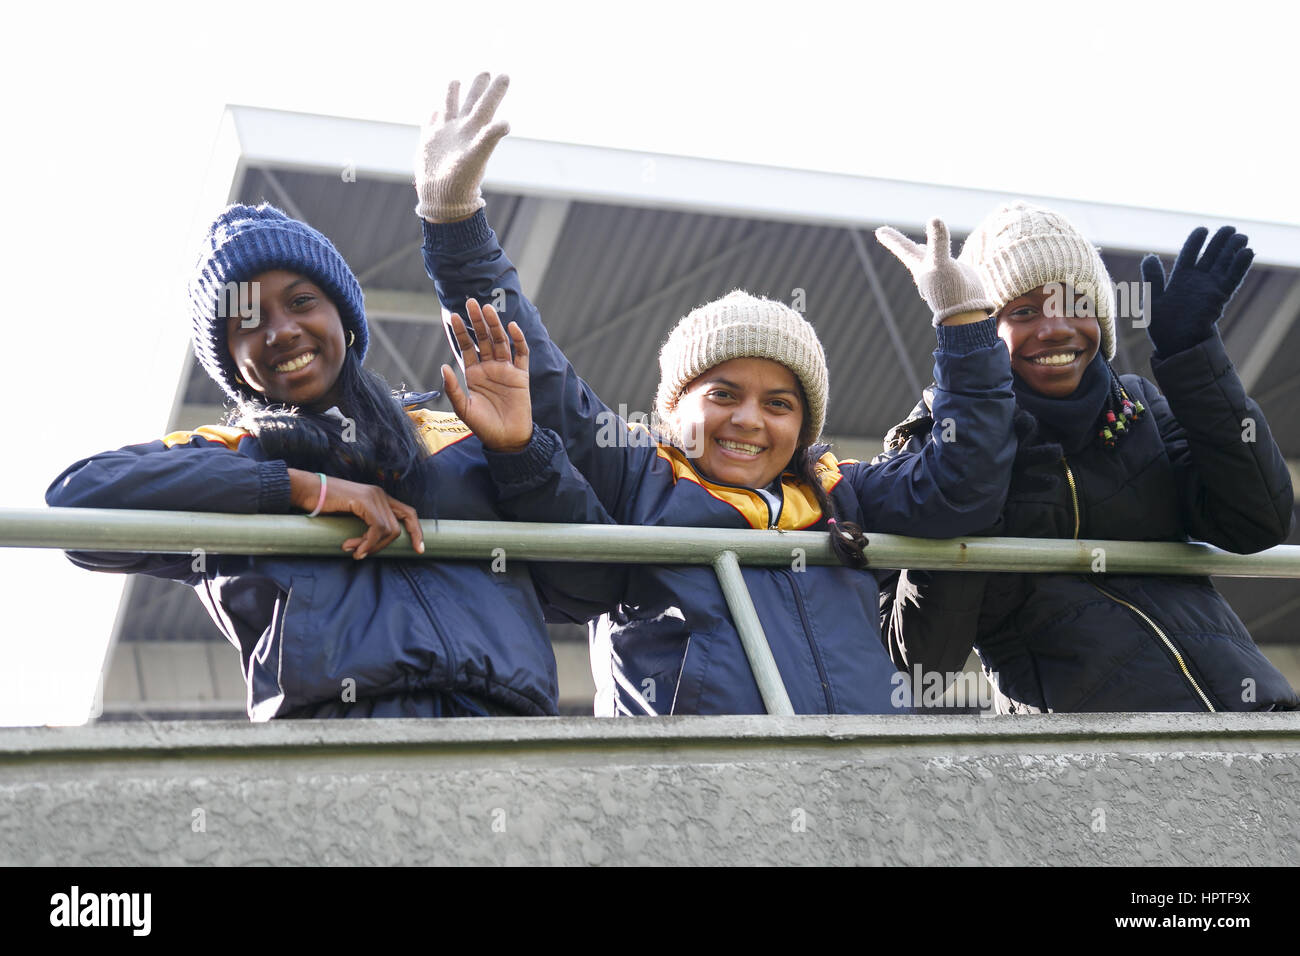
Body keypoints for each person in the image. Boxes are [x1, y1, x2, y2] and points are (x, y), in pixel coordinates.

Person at [415, 73, 1019, 715]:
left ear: (806, 426)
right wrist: (455, 223)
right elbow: (541, 374)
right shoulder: (635, 475)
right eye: (723, 393)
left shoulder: (840, 494)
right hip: (693, 797)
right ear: (672, 409)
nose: (750, 420)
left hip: (860, 790)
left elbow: (965, 483)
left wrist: (966, 331)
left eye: (780, 403)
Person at [46, 203, 609, 719]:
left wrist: (520, 451)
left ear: (343, 314)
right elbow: (77, 504)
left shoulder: (456, 436)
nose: (282, 330)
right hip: (336, 761)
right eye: (248, 321)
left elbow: (594, 586)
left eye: (300, 301)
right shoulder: (234, 454)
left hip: (510, 747)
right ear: (229, 359)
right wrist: (301, 490)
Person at [876, 201, 1299, 712]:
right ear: (984, 328)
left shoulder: (1140, 404)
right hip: (1089, 761)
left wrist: (1193, 355)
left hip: (1256, 722)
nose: (1056, 328)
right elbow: (922, 659)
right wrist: (973, 474)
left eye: (1076, 303)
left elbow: (1257, 522)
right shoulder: (928, 441)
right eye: (1024, 311)